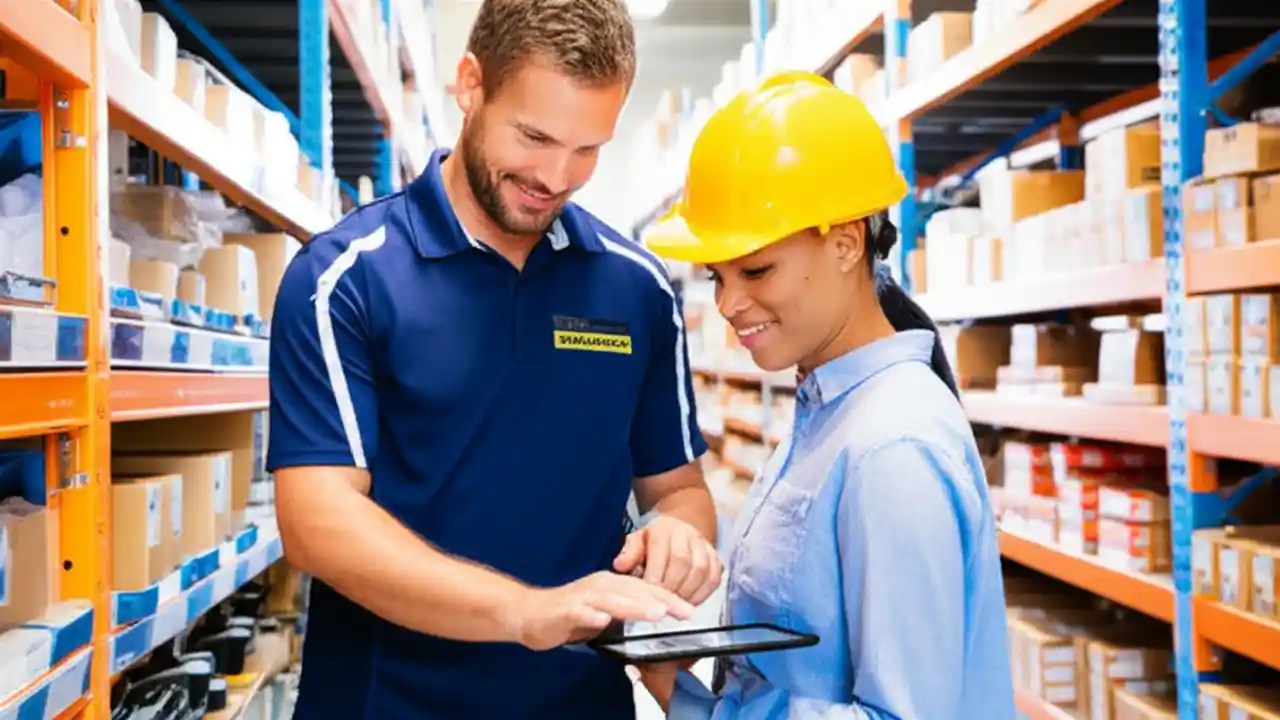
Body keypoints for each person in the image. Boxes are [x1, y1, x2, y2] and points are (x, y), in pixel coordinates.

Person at [265, 1, 723, 717]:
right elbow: (316, 523)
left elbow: (680, 489)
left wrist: (678, 535)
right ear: (471, 84)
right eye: (535, 136)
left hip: (581, 706)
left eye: (588, 148)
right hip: (387, 704)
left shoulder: (636, 289)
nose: (557, 176)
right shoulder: (344, 279)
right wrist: (523, 612)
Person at [637, 71, 1017, 719]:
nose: (728, 303)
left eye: (756, 270)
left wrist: (692, 701)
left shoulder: (893, 447)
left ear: (845, 244)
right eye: (717, 276)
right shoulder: (831, 411)